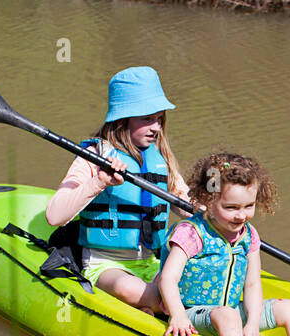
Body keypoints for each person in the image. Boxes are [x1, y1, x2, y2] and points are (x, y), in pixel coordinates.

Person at [154, 153, 290, 336]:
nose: (241, 215)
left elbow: (252, 284)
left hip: (228, 312)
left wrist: (253, 324)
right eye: (231, 207)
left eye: (249, 206)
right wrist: (179, 316)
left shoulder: (249, 234)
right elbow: (168, 279)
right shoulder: (192, 233)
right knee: (227, 315)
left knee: (288, 308)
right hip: (192, 314)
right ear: (207, 200)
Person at [45, 67, 187, 313]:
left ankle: (151, 307)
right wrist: (100, 181)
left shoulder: (161, 157)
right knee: (129, 288)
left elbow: (184, 203)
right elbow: (54, 216)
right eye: (147, 119)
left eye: (160, 119)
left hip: (151, 262)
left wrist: (211, 211)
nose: (157, 128)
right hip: (107, 266)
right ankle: (157, 304)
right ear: (123, 120)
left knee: (187, 278)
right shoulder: (95, 156)